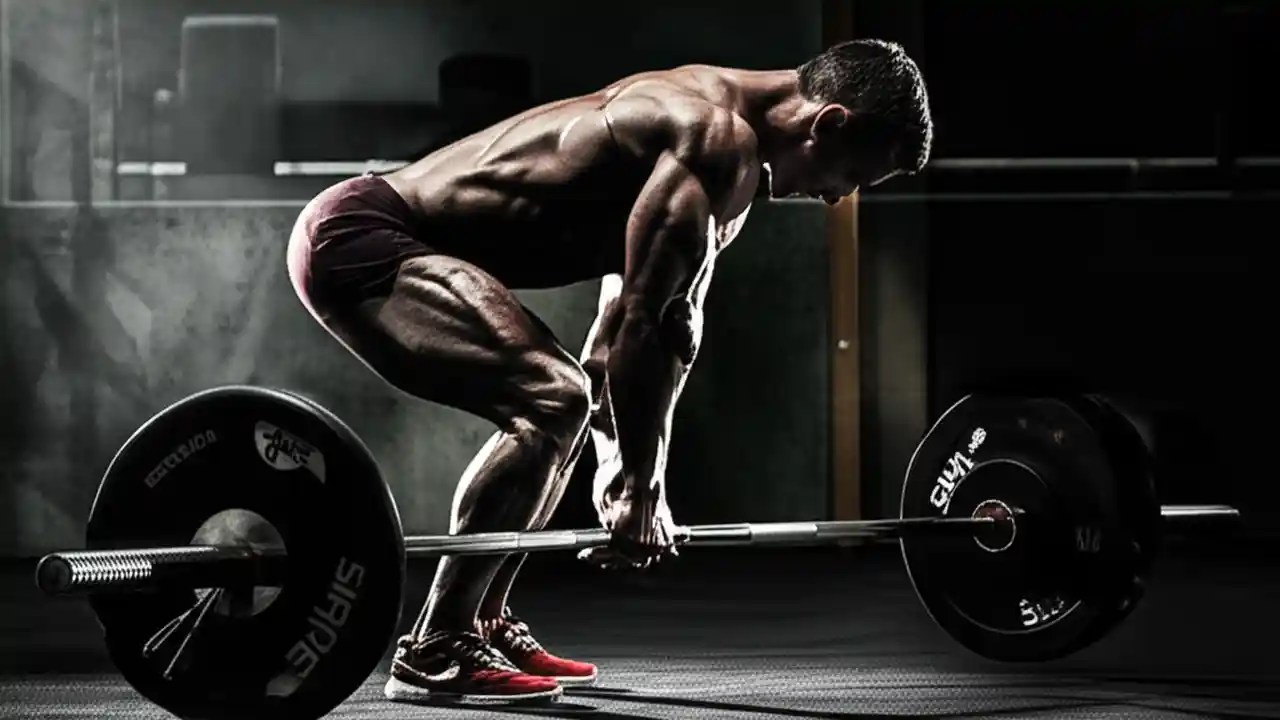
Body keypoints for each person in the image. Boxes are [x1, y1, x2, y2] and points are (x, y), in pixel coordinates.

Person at [285, 38, 932, 705]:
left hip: (385, 237)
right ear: (828, 125)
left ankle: (480, 619)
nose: (836, 199)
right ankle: (435, 645)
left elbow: (649, 335)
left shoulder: (724, 157)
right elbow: (641, 330)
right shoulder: (709, 139)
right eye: (851, 176)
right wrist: (640, 490)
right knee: (551, 400)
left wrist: (629, 473)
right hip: (363, 237)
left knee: (566, 397)